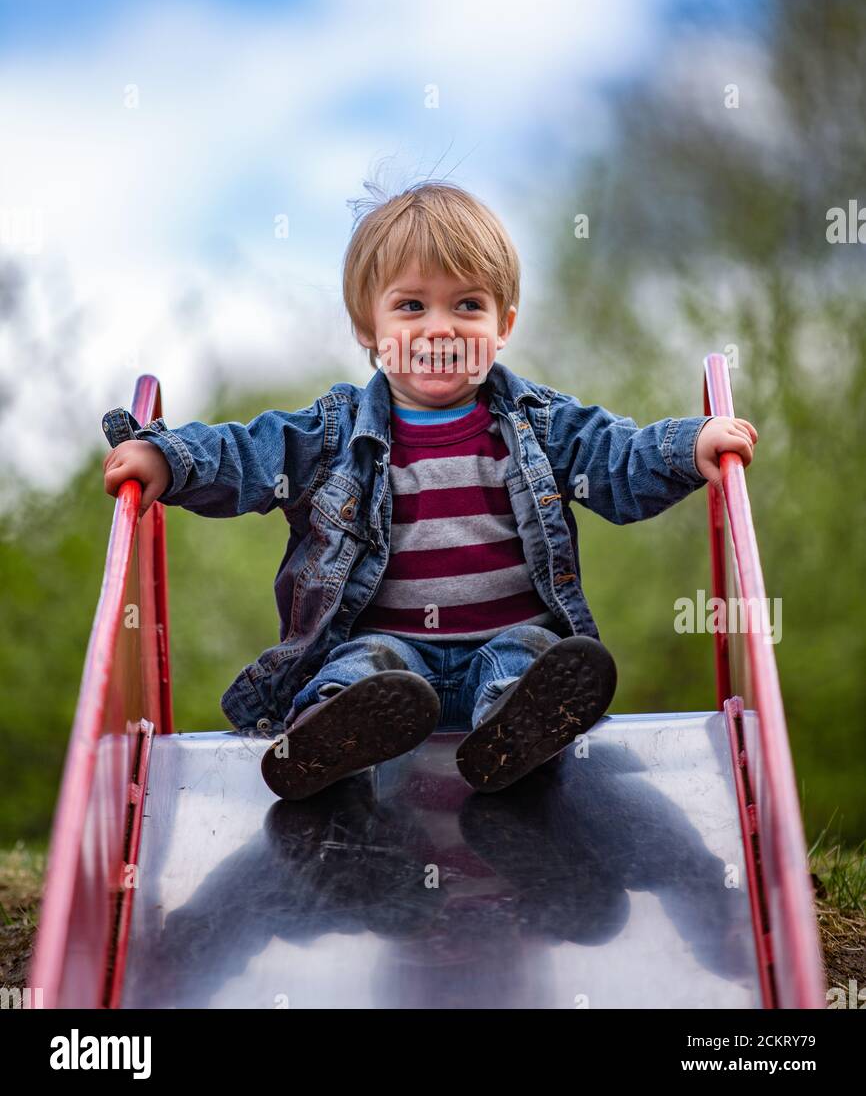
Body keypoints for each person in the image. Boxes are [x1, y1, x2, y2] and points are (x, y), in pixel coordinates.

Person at [102, 179, 757, 799]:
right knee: (359, 669)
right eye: (412, 305)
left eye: (467, 305)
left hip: (500, 652)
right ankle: (330, 738)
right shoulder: (334, 431)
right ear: (368, 327)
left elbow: (616, 456)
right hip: (391, 666)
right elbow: (245, 454)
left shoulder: (541, 422)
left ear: (504, 325)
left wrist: (687, 446)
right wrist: (167, 458)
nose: (440, 327)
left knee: (533, 657)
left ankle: (513, 738)